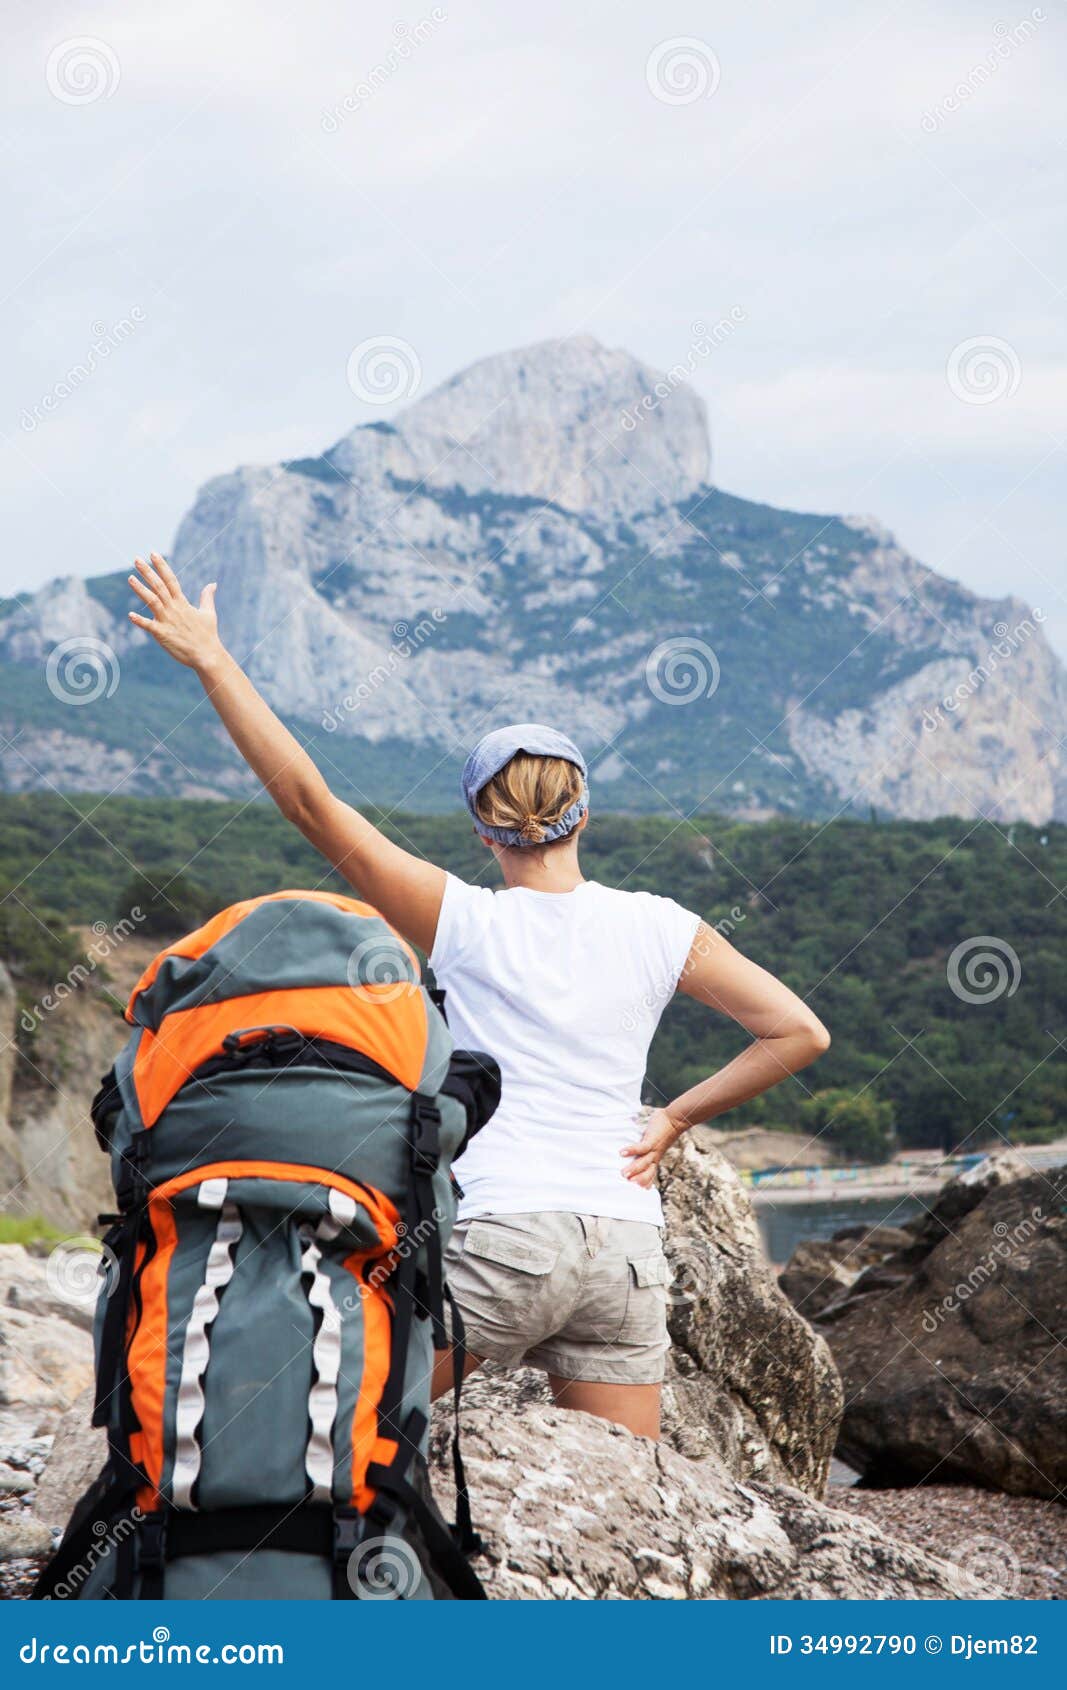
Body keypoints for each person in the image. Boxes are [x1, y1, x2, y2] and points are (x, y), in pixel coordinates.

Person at [127, 552, 830, 1440]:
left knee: (329, 1427)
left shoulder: (464, 921)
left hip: (504, 1239)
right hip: (623, 1248)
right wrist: (675, 1119)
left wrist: (212, 661)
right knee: (630, 1496)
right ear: (584, 812)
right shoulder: (662, 925)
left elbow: (308, 801)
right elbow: (798, 1032)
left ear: (480, 827)